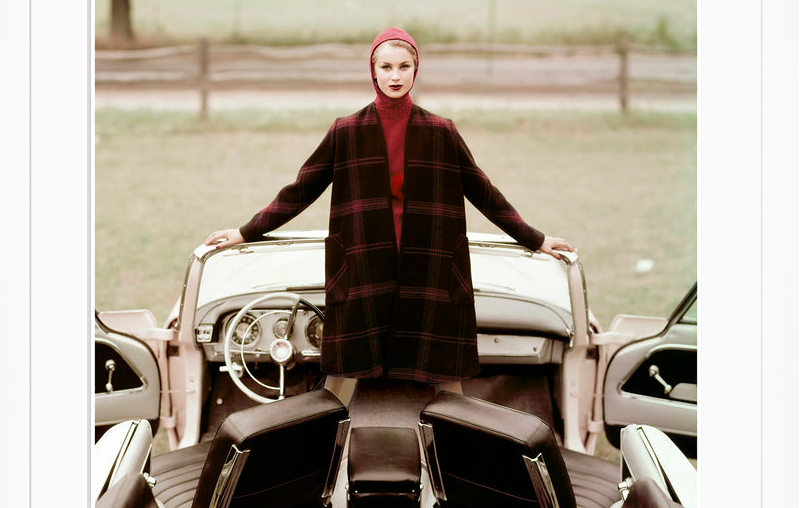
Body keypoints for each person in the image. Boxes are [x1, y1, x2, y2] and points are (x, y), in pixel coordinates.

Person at [205, 27, 573, 402]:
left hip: (430, 270)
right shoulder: (346, 131)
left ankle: (454, 448)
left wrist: (536, 239)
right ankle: (327, 450)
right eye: (386, 67)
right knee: (343, 378)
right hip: (364, 269)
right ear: (373, 70)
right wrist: (246, 232)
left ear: (416, 70)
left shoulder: (442, 132)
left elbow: (484, 192)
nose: (395, 76)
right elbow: (300, 191)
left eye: (404, 66)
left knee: (446, 378)